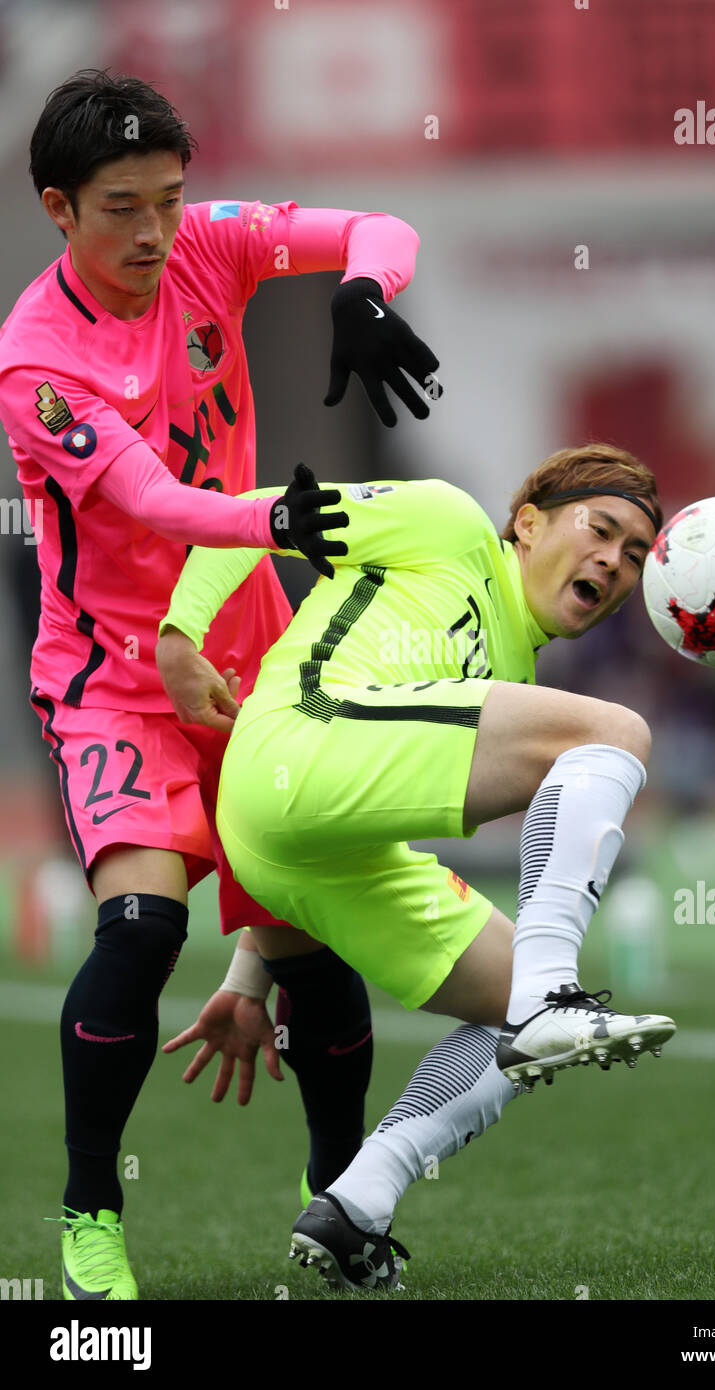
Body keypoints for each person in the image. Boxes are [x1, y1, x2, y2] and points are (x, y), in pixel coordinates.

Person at [0, 67, 441, 1301]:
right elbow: (151, 502)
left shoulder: (205, 246)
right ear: (57, 208)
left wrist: (362, 291)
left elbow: (378, 228)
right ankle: (92, 1217)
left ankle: (342, 1202)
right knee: (139, 927)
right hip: (115, 677)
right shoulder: (33, 360)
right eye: (121, 208)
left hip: (255, 665)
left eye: (170, 201)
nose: (153, 233)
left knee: (303, 942)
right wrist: (286, 516)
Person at [157, 443, 677, 1290]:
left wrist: (250, 968)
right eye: (603, 529)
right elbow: (248, 522)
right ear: (529, 523)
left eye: (634, 557)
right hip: (300, 735)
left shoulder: (514, 673)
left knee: (513, 1000)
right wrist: (181, 637)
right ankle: (555, 996)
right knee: (617, 735)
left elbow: (343, 809)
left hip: (296, 840)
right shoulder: (448, 521)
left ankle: (356, 1202)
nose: (614, 563)